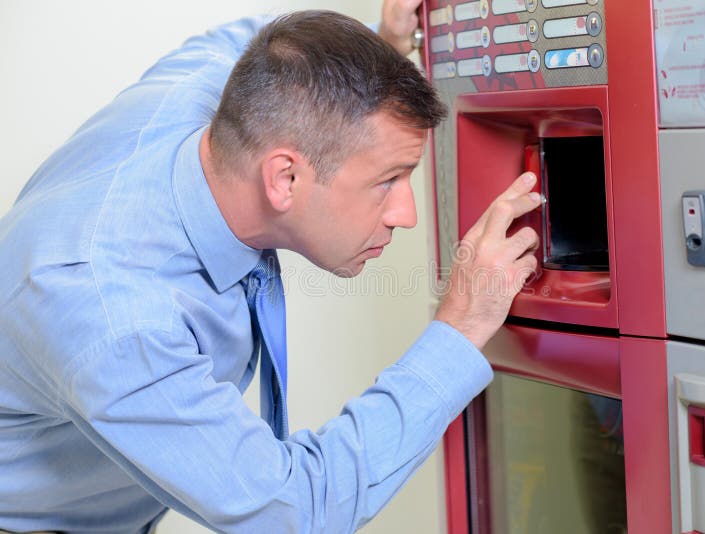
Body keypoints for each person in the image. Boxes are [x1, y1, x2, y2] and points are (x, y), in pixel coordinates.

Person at [0, 4, 540, 533]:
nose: (408, 214)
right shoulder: (116, 317)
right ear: (284, 179)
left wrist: (383, 41)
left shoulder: (218, 86)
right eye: (387, 181)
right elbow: (293, 510)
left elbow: (270, 42)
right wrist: (461, 327)